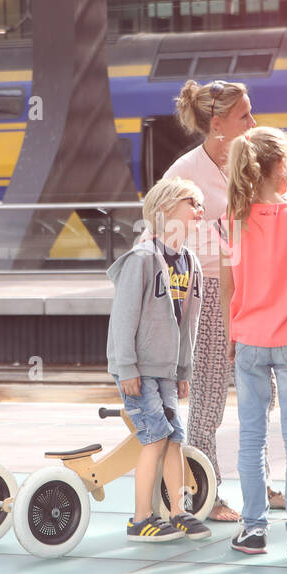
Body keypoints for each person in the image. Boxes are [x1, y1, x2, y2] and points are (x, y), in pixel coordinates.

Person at [165, 80, 284, 522]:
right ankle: (206, 491)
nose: (253, 123)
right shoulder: (184, 173)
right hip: (212, 290)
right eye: (244, 116)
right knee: (210, 394)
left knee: (261, 391)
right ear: (217, 124)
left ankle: (260, 482)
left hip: (255, 286)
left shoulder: (251, 161)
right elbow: (167, 242)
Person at [220, 127, 287, 560]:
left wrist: (233, 335)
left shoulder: (232, 222)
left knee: (251, 437)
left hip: (248, 339)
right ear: (282, 167)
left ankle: (253, 530)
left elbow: (229, 288)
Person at [106, 176, 211, 543]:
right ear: (165, 209)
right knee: (154, 437)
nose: (199, 211)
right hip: (139, 368)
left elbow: (189, 322)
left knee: (174, 439)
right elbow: (124, 317)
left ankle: (178, 511)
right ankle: (140, 519)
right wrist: (127, 367)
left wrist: (184, 370)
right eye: (192, 203)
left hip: (167, 369)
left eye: (201, 205)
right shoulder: (142, 259)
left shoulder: (189, 263)